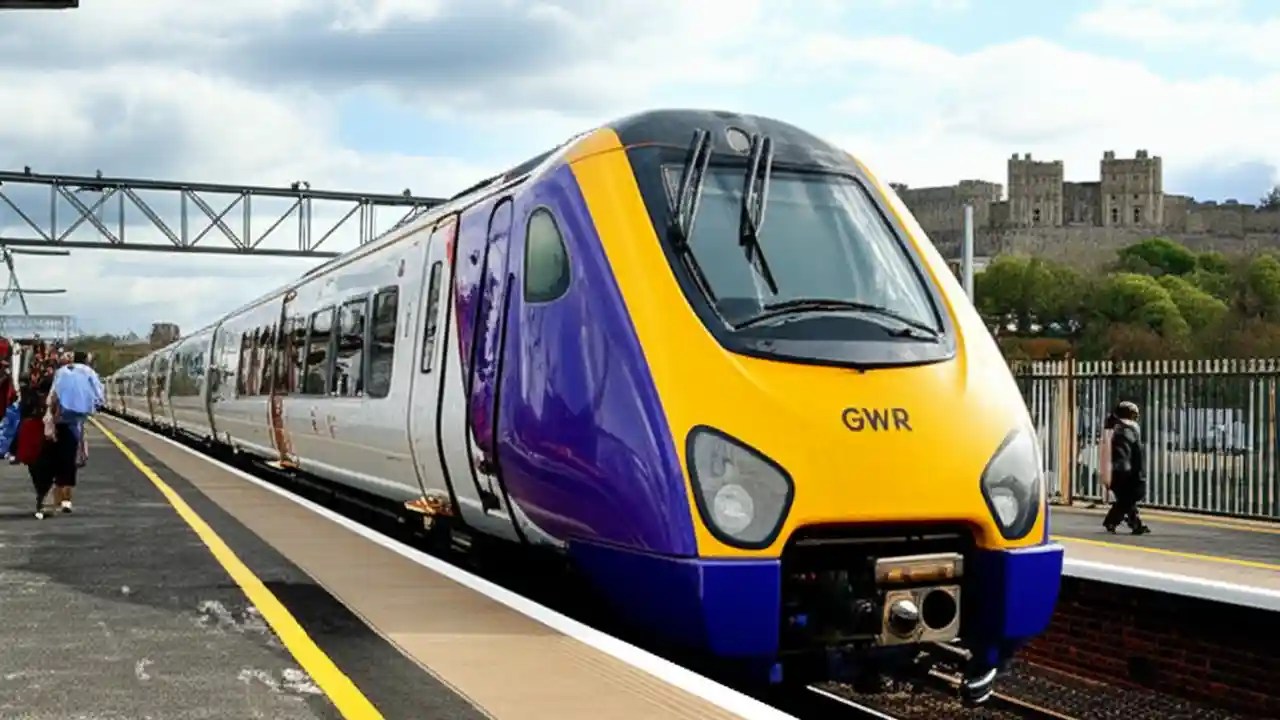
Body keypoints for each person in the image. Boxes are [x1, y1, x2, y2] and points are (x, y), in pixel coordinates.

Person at [46, 349, 98, 514]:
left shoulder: (61, 373)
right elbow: (97, 398)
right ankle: (66, 500)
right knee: (70, 461)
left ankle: (55, 499)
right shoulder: (89, 374)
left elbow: (52, 397)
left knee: (55, 460)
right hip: (75, 424)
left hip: (57, 422)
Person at [1103, 401, 1151, 535]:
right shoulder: (1125, 430)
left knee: (1127, 500)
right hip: (1126, 473)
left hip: (1120, 472)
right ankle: (1112, 521)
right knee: (1130, 497)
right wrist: (1129, 471)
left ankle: (1135, 524)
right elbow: (1125, 454)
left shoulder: (1118, 428)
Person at [14, 377, 57, 519]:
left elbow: (22, 413)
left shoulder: (30, 397)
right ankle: (43, 498)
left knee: (35, 469)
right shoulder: (54, 401)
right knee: (48, 470)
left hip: (30, 436)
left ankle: (41, 496)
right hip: (47, 438)